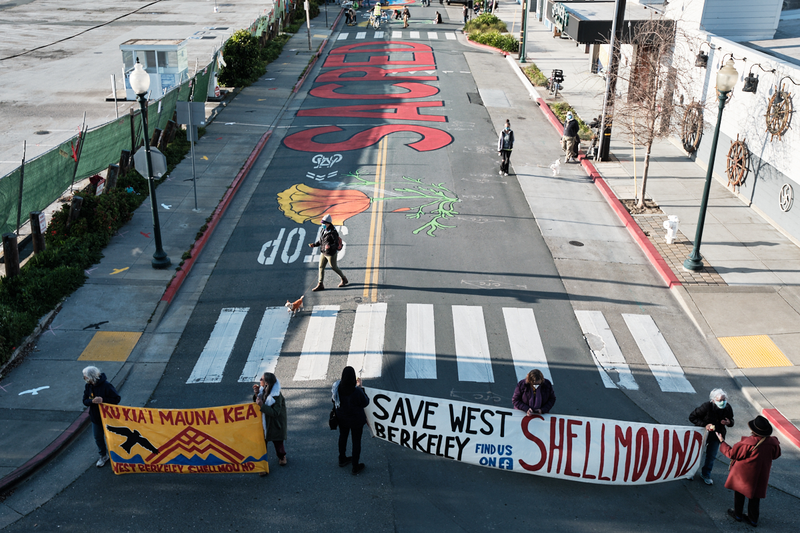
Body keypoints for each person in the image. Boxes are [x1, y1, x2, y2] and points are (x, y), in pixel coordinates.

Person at [716, 416, 781, 527]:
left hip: (744, 474)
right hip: (761, 475)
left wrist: (722, 441)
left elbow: (731, 453)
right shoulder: (773, 443)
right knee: (755, 497)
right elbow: (776, 455)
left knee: (740, 494)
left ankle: (738, 514)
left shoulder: (747, 443)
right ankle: (753, 519)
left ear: (753, 430)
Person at [689, 388, 734, 485]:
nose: (722, 402)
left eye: (724, 400)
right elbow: (692, 417)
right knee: (696, 454)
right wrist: (705, 425)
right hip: (702, 434)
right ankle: (691, 472)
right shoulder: (706, 406)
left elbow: (731, 421)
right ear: (713, 400)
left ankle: (706, 474)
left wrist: (728, 422)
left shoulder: (727, 407)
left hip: (717, 435)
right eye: (720, 400)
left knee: (711, 456)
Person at [332, 366, 370, 475]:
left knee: (343, 437)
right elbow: (366, 402)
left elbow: (333, 400)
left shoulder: (337, 388)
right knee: (356, 441)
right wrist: (361, 387)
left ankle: (342, 458)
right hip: (356, 420)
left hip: (342, 418)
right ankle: (355, 466)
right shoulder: (357, 391)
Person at [82, 366, 121, 467]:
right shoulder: (88, 387)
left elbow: (116, 399)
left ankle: (118, 455)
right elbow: (85, 401)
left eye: (85, 376)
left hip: (108, 418)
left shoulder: (107, 386)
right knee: (98, 437)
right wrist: (92, 401)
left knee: (113, 438)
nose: (84, 378)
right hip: (96, 418)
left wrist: (103, 400)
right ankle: (103, 456)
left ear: (91, 377)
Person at [252, 372, 288, 474]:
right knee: (262, 444)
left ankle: (282, 456)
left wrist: (262, 405)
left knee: (278, 443)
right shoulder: (263, 390)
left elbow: (275, 412)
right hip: (264, 422)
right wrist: (256, 393)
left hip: (275, 423)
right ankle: (262, 465)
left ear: (267, 382)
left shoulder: (277, 396)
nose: (260, 380)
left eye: (261, 379)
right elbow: (257, 401)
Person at [308, 213, 348, 291]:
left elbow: (336, 244)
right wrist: (314, 245)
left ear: (328, 223)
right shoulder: (323, 230)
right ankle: (320, 284)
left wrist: (330, 246)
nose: (322, 224)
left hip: (331, 254)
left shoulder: (333, 232)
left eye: (323, 223)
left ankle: (344, 279)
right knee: (321, 267)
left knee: (334, 267)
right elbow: (321, 240)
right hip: (323, 252)